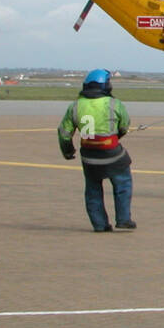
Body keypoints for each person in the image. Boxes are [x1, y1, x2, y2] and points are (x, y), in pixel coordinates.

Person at [58, 69, 135, 232]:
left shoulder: (75, 105)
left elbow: (64, 133)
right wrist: (117, 136)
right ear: (107, 85)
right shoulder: (114, 103)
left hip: (89, 156)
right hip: (111, 152)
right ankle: (123, 218)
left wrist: (68, 151)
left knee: (93, 189)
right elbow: (124, 125)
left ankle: (100, 224)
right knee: (123, 183)